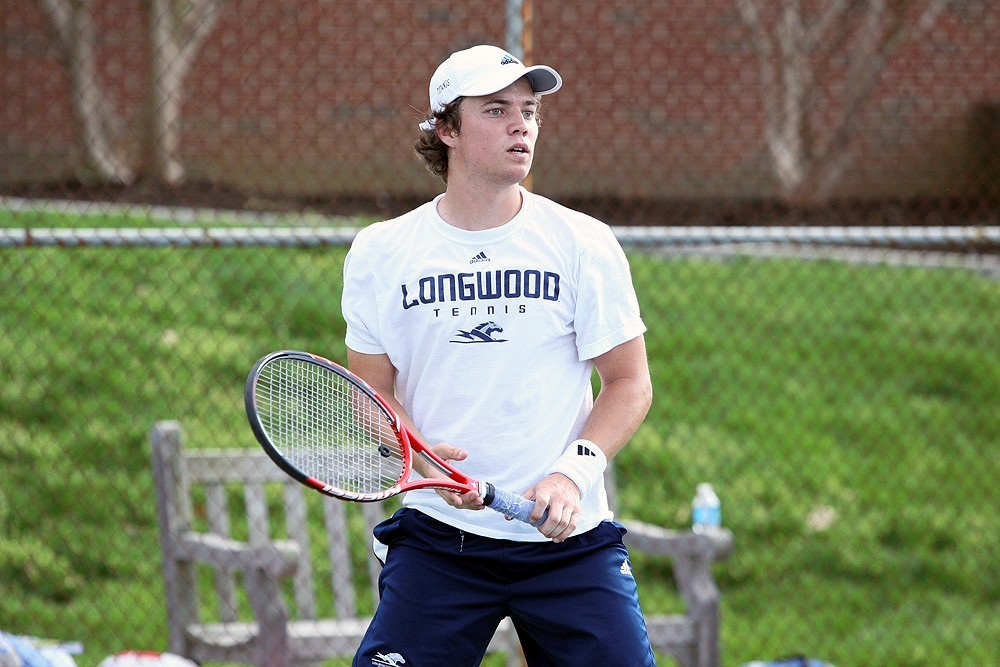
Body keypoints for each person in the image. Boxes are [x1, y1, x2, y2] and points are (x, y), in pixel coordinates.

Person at [342, 44, 655, 666]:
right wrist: (420, 456)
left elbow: (629, 383)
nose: (521, 125)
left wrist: (572, 475)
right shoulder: (381, 253)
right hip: (439, 540)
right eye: (495, 110)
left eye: (530, 110)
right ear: (446, 130)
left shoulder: (582, 243)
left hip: (569, 545)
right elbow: (372, 394)